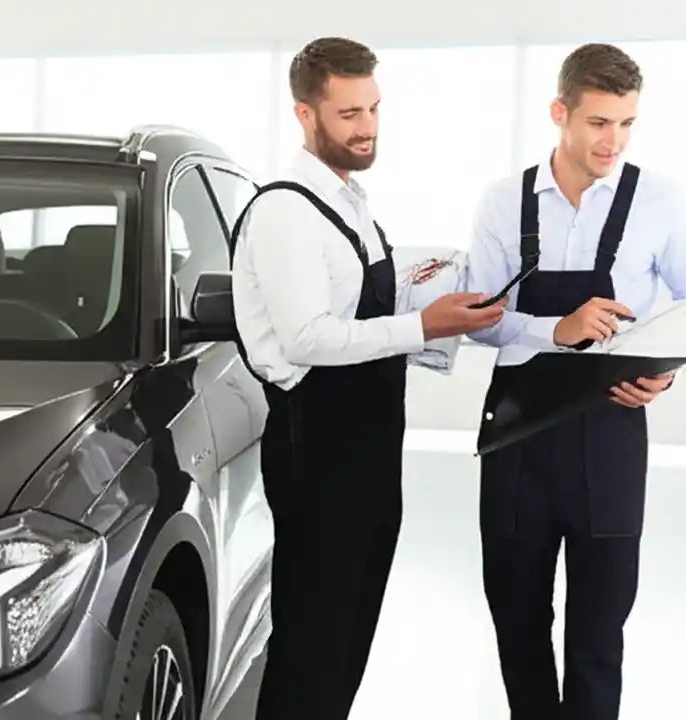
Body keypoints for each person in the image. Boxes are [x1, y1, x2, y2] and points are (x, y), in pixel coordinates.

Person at [229, 36, 506, 719]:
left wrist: (431, 303)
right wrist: (422, 326)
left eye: (374, 109)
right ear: (305, 115)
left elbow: (358, 313)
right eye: (349, 113)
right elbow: (307, 337)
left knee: (348, 639)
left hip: (370, 453)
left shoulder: (352, 203)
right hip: (317, 455)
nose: (368, 127)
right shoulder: (285, 210)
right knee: (313, 644)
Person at [465, 42, 686, 720]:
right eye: (600, 122)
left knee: (599, 633)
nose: (614, 141)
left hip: (611, 434)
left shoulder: (662, 201)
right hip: (517, 438)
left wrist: (665, 372)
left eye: (627, 123)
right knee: (517, 619)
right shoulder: (503, 202)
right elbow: (479, 320)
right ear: (560, 113)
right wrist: (557, 330)